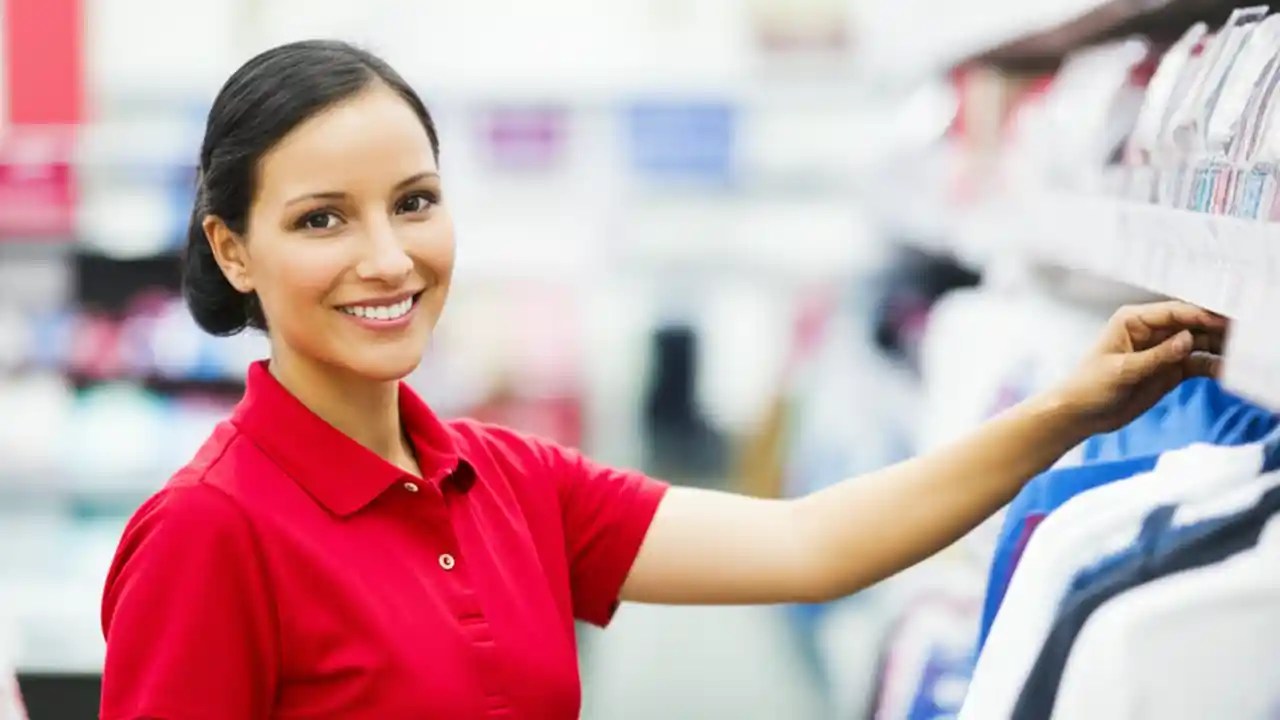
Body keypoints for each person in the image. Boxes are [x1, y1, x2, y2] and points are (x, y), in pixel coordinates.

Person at [98, 40, 1226, 720]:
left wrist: (1066, 412)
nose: (387, 257)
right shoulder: (210, 531)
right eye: (320, 219)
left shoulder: (503, 481)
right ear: (234, 249)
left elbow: (808, 547)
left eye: (414, 201)